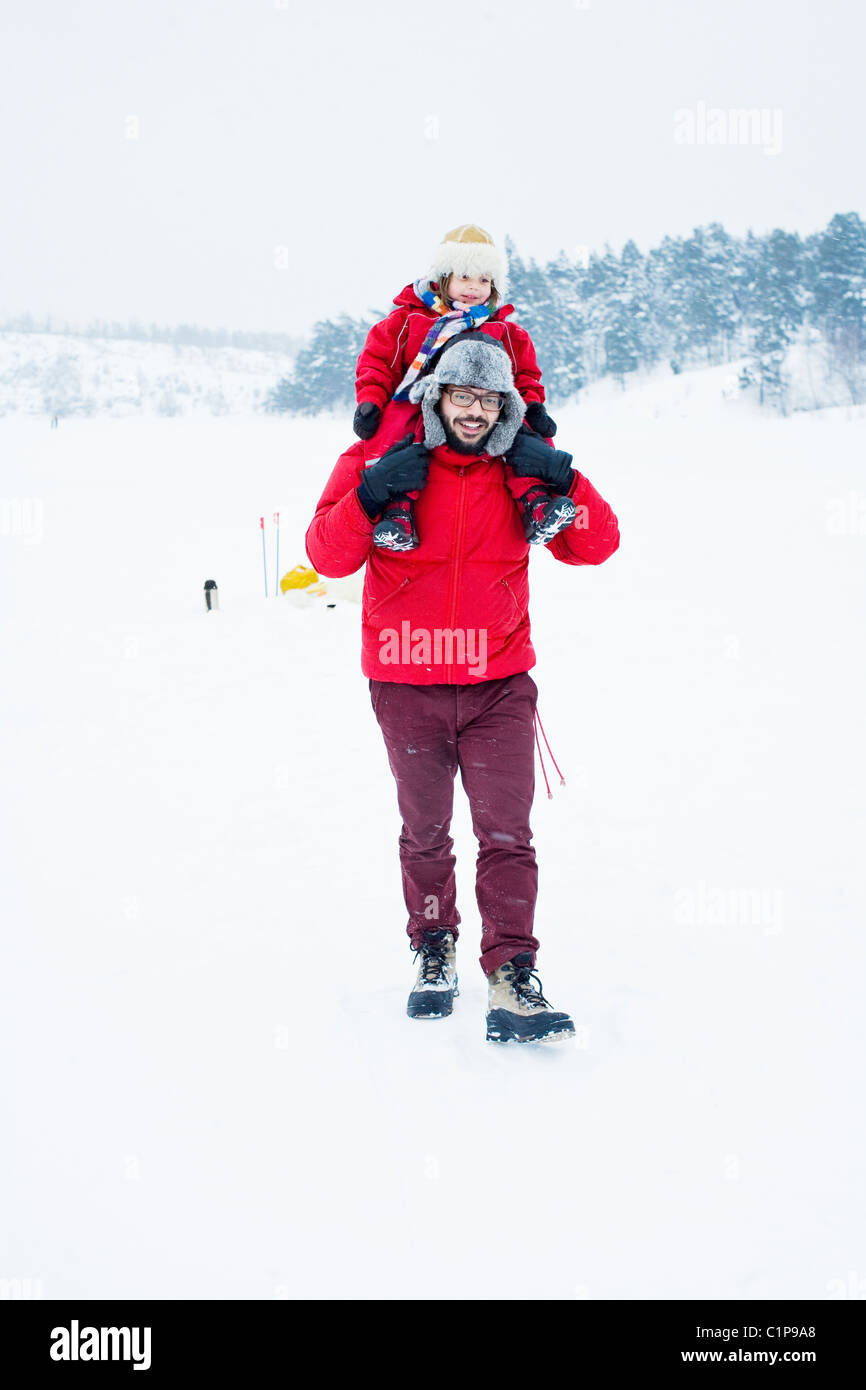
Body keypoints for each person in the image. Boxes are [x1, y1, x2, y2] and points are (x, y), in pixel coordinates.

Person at [306, 335, 620, 1044]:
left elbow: (599, 544)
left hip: (498, 686)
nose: (474, 411)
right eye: (461, 395)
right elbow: (325, 554)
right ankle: (433, 947)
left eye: (489, 398)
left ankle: (512, 976)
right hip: (405, 679)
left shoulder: (521, 474)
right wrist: (370, 493)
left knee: (507, 834)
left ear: (506, 404)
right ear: (437, 395)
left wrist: (567, 480)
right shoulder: (380, 462)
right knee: (425, 833)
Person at [352, 223, 576, 551]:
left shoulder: (507, 332)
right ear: (444, 278)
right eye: (465, 277)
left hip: (488, 411)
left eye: (484, 280)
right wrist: (370, 401)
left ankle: (537, 503)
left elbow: (526, 376)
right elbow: (377, 363)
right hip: (418, 406)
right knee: (401, 445)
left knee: (525, 441)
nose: (474, 288)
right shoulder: (407, 322)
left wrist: (533, 406)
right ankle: (398, 512)